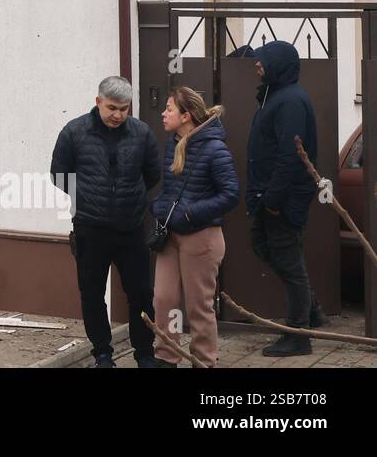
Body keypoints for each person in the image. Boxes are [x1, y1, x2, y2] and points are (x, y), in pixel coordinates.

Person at [50, 75, 164, 368]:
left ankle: (145, 353)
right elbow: (59, 174)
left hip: (131, 229)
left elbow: (152, 175)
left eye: (124, 109)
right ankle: (102, 353)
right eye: (112, 107)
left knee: (141, 294)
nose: (117, 115)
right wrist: (88, 199)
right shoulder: (73, 132)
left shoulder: (141, 133)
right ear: (98, 102)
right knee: (91, 293)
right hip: (90, 229)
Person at [152, 86, 240, 367]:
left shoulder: (215, 149)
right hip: (170, 235)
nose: (163, 114)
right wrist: (159, 208)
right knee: (164, 299)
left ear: (186, 115)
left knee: (198, 307)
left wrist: (191, 214)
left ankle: (204, 361)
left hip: (202, 237)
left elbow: (230, 194)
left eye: (169, 109)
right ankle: (166, 358)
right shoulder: (173, 142)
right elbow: (170, 188)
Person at [247, 40, 324, 357]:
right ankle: (311, 309)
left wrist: (274, 200)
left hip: (281, 199)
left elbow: (289, 155)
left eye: (262, 61)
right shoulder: (274, 95)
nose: (257, 65)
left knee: (289, 264)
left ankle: (298, 335)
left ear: (277, 63)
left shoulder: (290, 101)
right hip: (269, 196)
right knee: (264, 247)